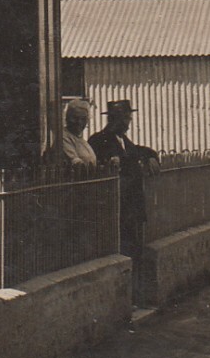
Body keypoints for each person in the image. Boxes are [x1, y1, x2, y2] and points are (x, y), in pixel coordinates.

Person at [89, 100, 160, 259]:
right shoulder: (98, 140)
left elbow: (137, 150)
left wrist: (150, 156)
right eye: (124, 119)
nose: (128, 123)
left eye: (128, 118)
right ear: (112, 119)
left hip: (131, 206)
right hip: (116, 205)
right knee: (122, 249)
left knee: (134, 248)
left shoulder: (123, 140)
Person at [47, 100, 98, 167]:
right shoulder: (63, 138)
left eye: (83, 119)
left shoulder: (80, 140)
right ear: (67, 118)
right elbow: (76, 163)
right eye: (75, 118)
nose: (79, 122)